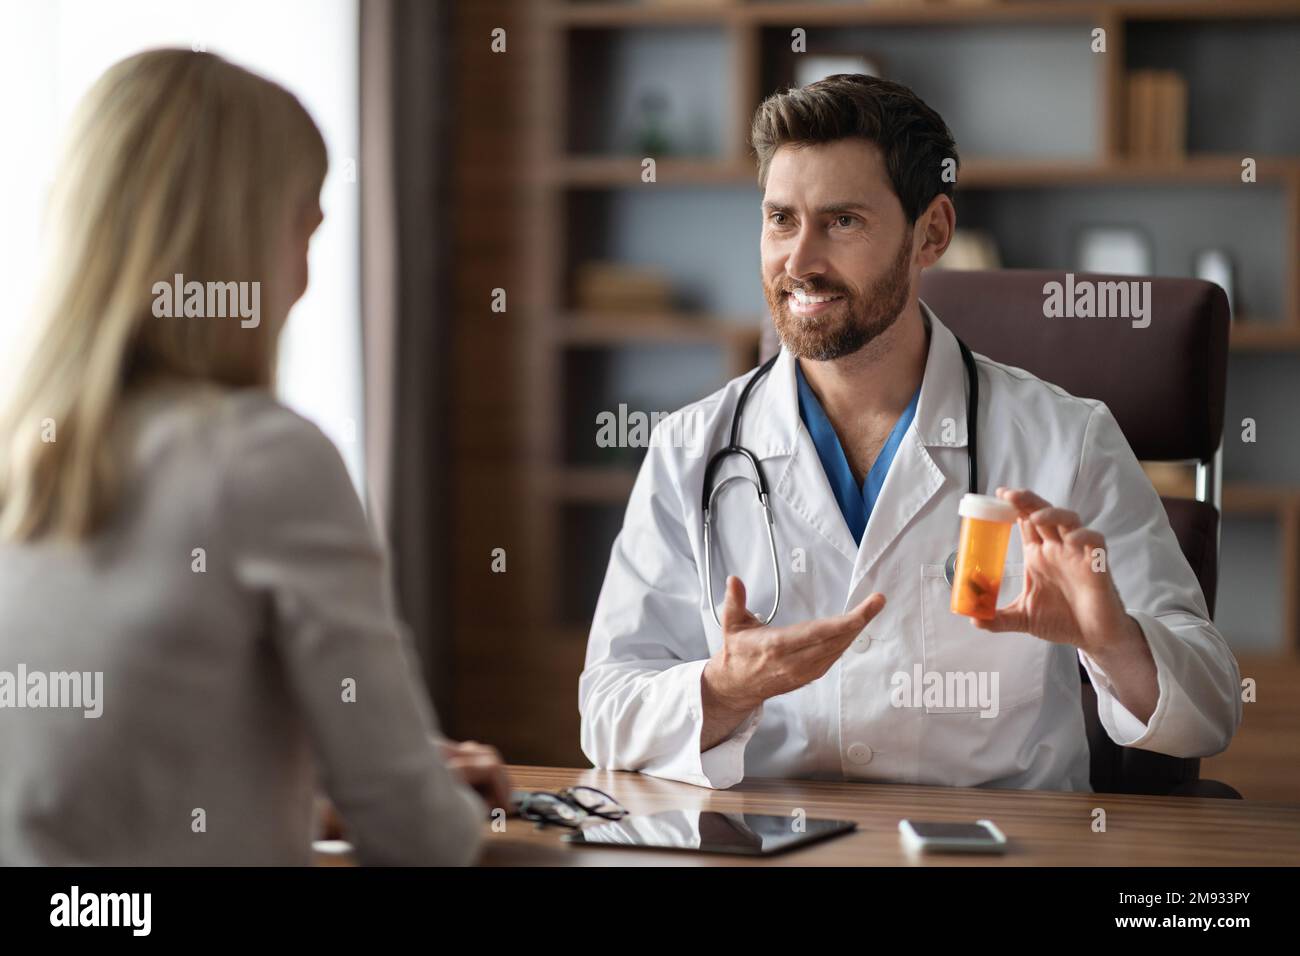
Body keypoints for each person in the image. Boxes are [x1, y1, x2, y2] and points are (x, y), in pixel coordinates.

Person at [579, 75, 1241, 791]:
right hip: (766, 845)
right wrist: (721, 690)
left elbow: (1210, 710)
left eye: (841, 222)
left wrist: (1110, 639)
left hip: (994, 852)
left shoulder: (1066, 440)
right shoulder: (690, 449)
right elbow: (606, 713)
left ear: (933, 233)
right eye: (780, 220)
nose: (798, 262)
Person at [0, 49, 506, 864]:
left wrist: (293, 792)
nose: (302, 279)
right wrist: (423, 794)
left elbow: (93, 787)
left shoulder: (25, 454)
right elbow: (417, 839)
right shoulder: (261, 460)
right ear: (239, 242)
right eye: (303, 230)